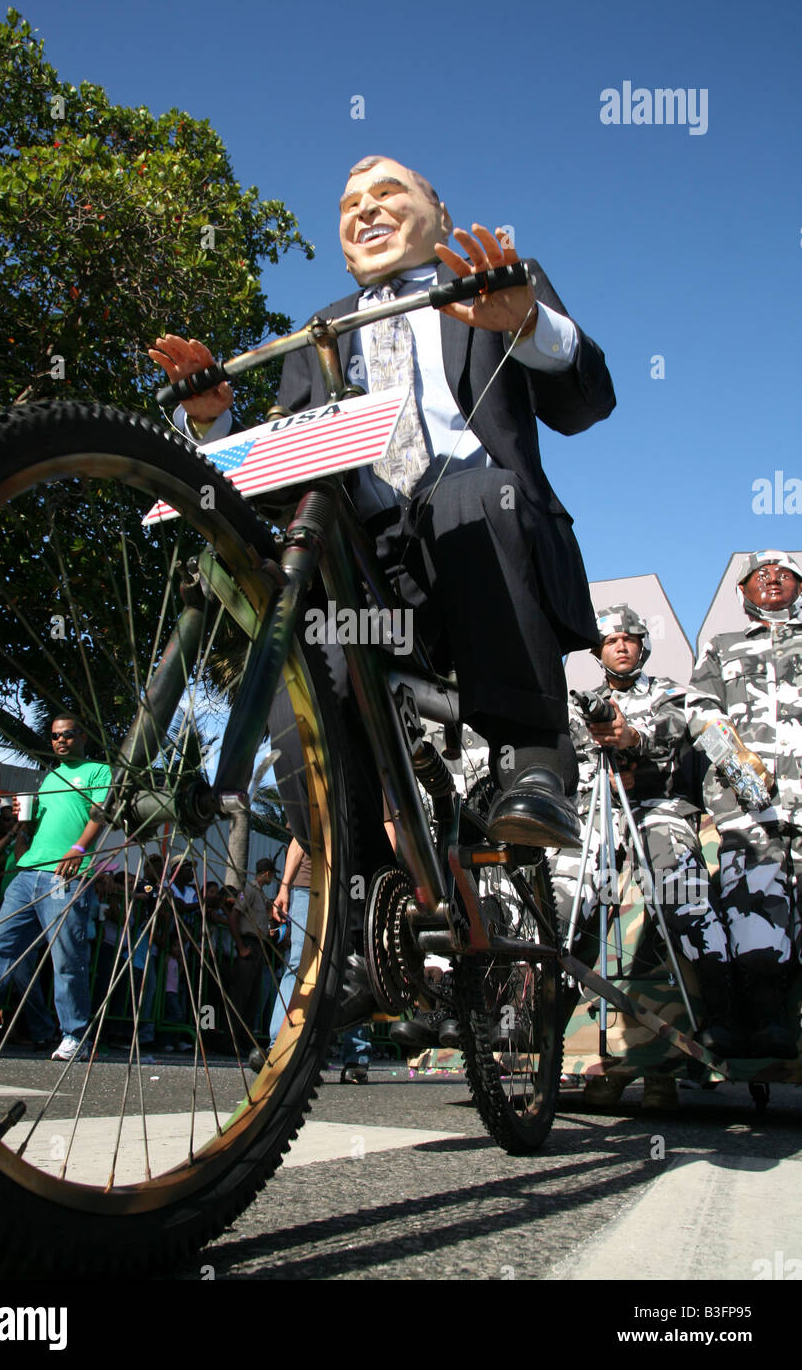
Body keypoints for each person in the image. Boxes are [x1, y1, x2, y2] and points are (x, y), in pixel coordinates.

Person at [151, 154, 616, 856]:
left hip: (484, 543)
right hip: (372, 571)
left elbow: (587, 404)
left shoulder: (492, 286)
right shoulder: (319, 331)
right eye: (348, 205)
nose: (363, 210)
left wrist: (527, 328)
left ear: (442, 218)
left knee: (468, 493)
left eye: (387, 192)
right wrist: (215, 424)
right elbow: (287, 469)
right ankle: (353, 874)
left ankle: (533, 763)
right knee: (301, 631)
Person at [551, 606, 740, 1108]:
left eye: (630, 638)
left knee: (687, 902)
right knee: (560, 910)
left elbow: (699, 724)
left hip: (656, 810)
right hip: (593, 814)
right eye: (610, 640)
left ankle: (720, 1025)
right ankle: (551, 1039)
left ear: (643, 645)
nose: (621, 646)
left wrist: (635, 742)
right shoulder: (573, 704)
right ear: (597, 651)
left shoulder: (670, 691)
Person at [0, 715, 111, 1060]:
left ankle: (75, 1035)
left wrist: (79, 849)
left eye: (67, 735)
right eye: (55, 736)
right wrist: (22, 821)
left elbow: (101, 812)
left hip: (65, 872)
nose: (60, 741)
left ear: (82, 737)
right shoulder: (51, 776)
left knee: (67, 957)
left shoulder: (98, 771)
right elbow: (36, 824)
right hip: (27, 872)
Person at [686, 551, 802, 1059]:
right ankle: (766, 1020)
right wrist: (740, 770)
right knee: (753, 908)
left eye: (784, 573)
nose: (773, 579)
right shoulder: (722, 646)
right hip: (748, 809)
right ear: (743, 593)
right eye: (761, 575)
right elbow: (700, 714)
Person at [226, 857, 276, 1056]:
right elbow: (235, 915)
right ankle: (230, 1039)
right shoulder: (248, 891)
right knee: (239, 996)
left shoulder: (261, 895)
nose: (272, 878)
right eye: (272, 874)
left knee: (253, 998)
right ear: (266, 873)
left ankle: (245, 1040)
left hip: (259, 947)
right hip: (248, 944)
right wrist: (240, 946)